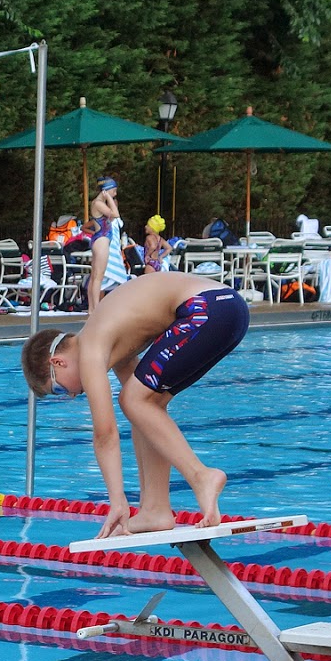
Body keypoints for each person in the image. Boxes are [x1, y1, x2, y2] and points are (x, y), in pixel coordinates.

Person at [20, 270, 248, 537]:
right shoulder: (109, 337)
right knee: (141, 402)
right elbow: (144, 409)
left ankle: (201, 476)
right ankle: (155, 509)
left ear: (57, 362)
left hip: (206, 309)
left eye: (58, 388)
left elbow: (105, 435)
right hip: (227, 309)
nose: (70, 395)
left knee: (133, 400)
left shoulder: (91, 348)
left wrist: (117, 502)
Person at [86, 176, 128, 311]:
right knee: (98, 276)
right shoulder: (98, 203)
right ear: (106, 190)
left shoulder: (98, 203)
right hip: (102, 240)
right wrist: (109, 199)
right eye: (114, 191)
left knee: (95, 276)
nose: (115, 194)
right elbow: (115, 215)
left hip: (101, 239)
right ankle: (95, 309)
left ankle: (92, 309)